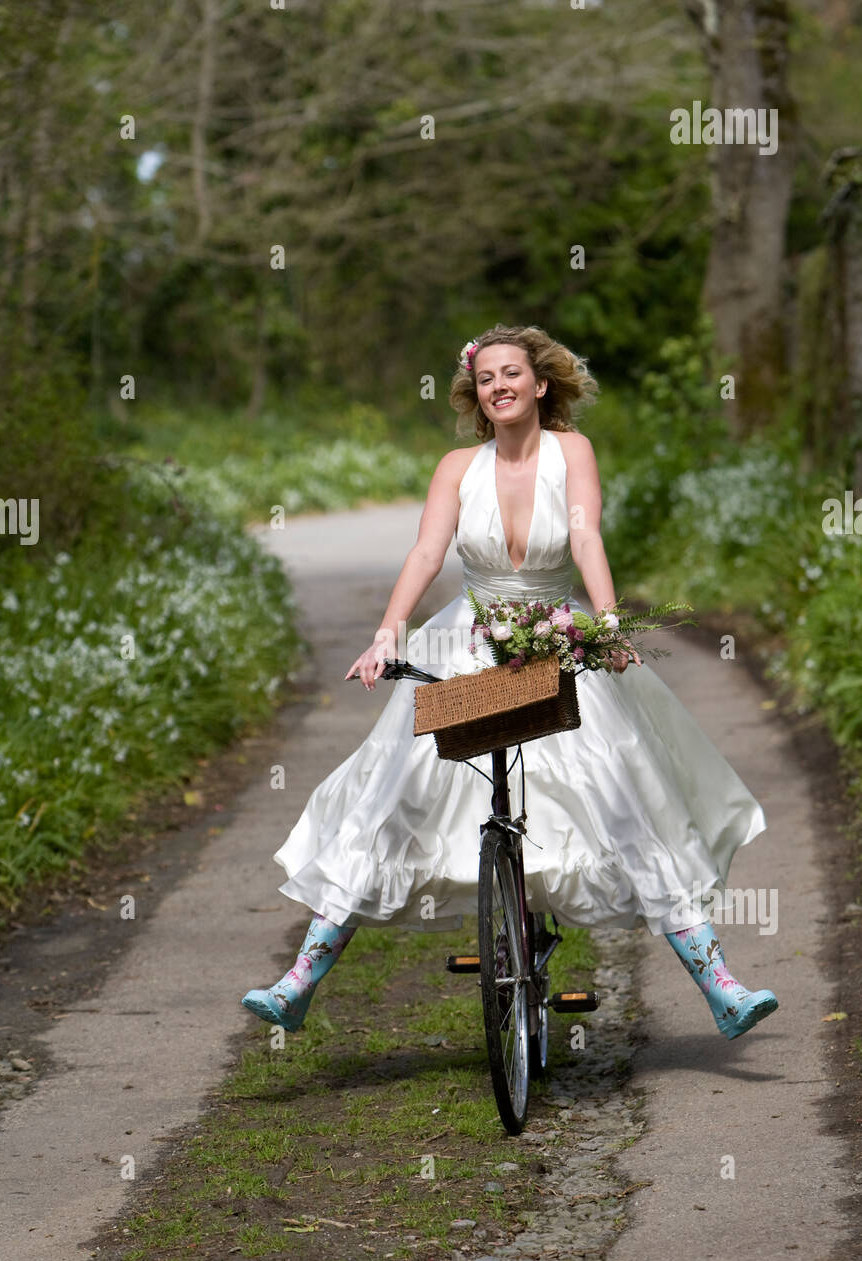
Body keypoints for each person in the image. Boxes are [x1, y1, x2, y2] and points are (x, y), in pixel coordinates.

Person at [241, 324, 778, 1042]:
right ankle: (299, 981)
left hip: (556, 633)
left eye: (512, 374)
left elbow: (584, 535)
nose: (499, 386)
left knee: (623, 793)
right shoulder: (456, 468)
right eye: (486, 377)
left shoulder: (572, 453)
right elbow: (428, 550)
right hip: (470, 639)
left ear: (541, 384)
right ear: (476, 392)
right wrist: (387, 632)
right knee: (392, 791)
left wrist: (609, 623)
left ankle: (720, 985)